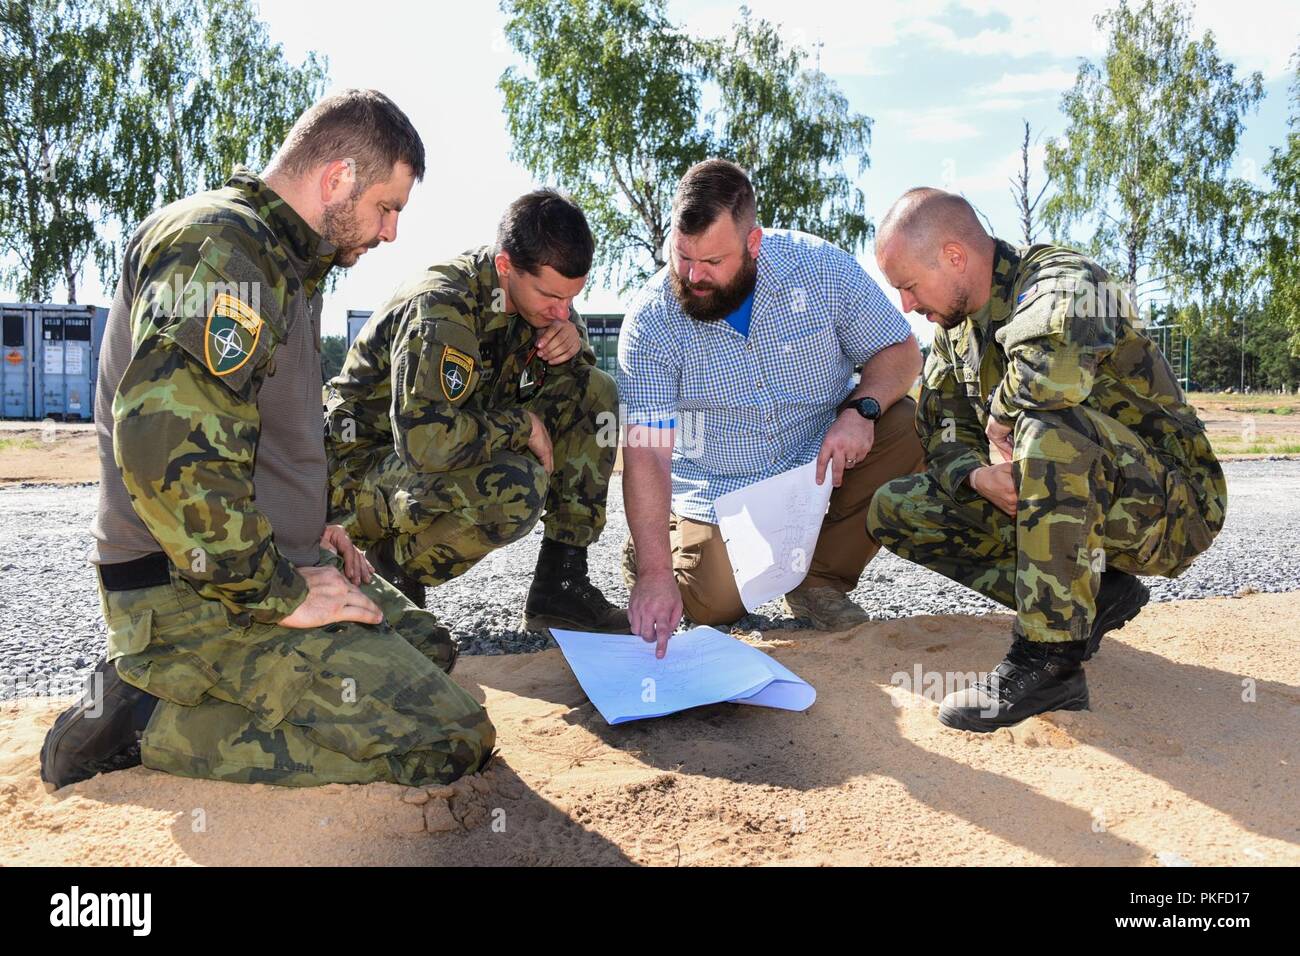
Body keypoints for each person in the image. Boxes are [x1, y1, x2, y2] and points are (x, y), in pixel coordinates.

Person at [41, 90, 495, 791]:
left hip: (259, 561)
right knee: (450, 740)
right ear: (337, 178)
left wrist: (318, 525)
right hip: (191, 592)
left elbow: (260, 435)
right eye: (387, 207)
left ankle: (201, 688)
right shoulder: (226, 248)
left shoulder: (285, 259)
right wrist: (280, 591)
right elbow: (165, 449)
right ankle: (146, 717)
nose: (391, 233)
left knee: (428, 648)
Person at [867, 187, 1227, 731]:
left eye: (909, 286)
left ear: (954, 256)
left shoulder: (1063, 279)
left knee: (1048, 424)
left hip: (1172, 506)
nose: (907, 306)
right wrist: (975, 475)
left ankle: (1050, 661)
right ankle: (1099, 594)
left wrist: (1001, 412)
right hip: (1082, 502)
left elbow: (1053, 374)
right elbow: (941, 432)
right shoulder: (953, 332)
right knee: (896, 507)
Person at [618, 158, 924, 655]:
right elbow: (648, 452)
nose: (693, 276)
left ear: (753, 244)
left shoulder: (821, 268)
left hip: (820, 463)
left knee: (909, 425)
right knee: (714, 606)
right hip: (723, 486)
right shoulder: (651, 321)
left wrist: (861, 411)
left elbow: (899, 350)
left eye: (713, 263)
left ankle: (816, 581)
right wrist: (654, 576)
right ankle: (656, 550)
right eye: (682, 257)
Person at [325, 190, 628, 632]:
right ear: (506, 266)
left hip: (421, 461)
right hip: (359, 475)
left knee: (595, 391)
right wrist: (521, 426)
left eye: (571, 298)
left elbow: (569, 371)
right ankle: (392, 569)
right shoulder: (442, 306)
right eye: (551, 297)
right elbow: (424, 442)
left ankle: (560, 584)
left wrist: (573, 341)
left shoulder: (538, 298)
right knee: (515, 487)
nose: (562, 310)